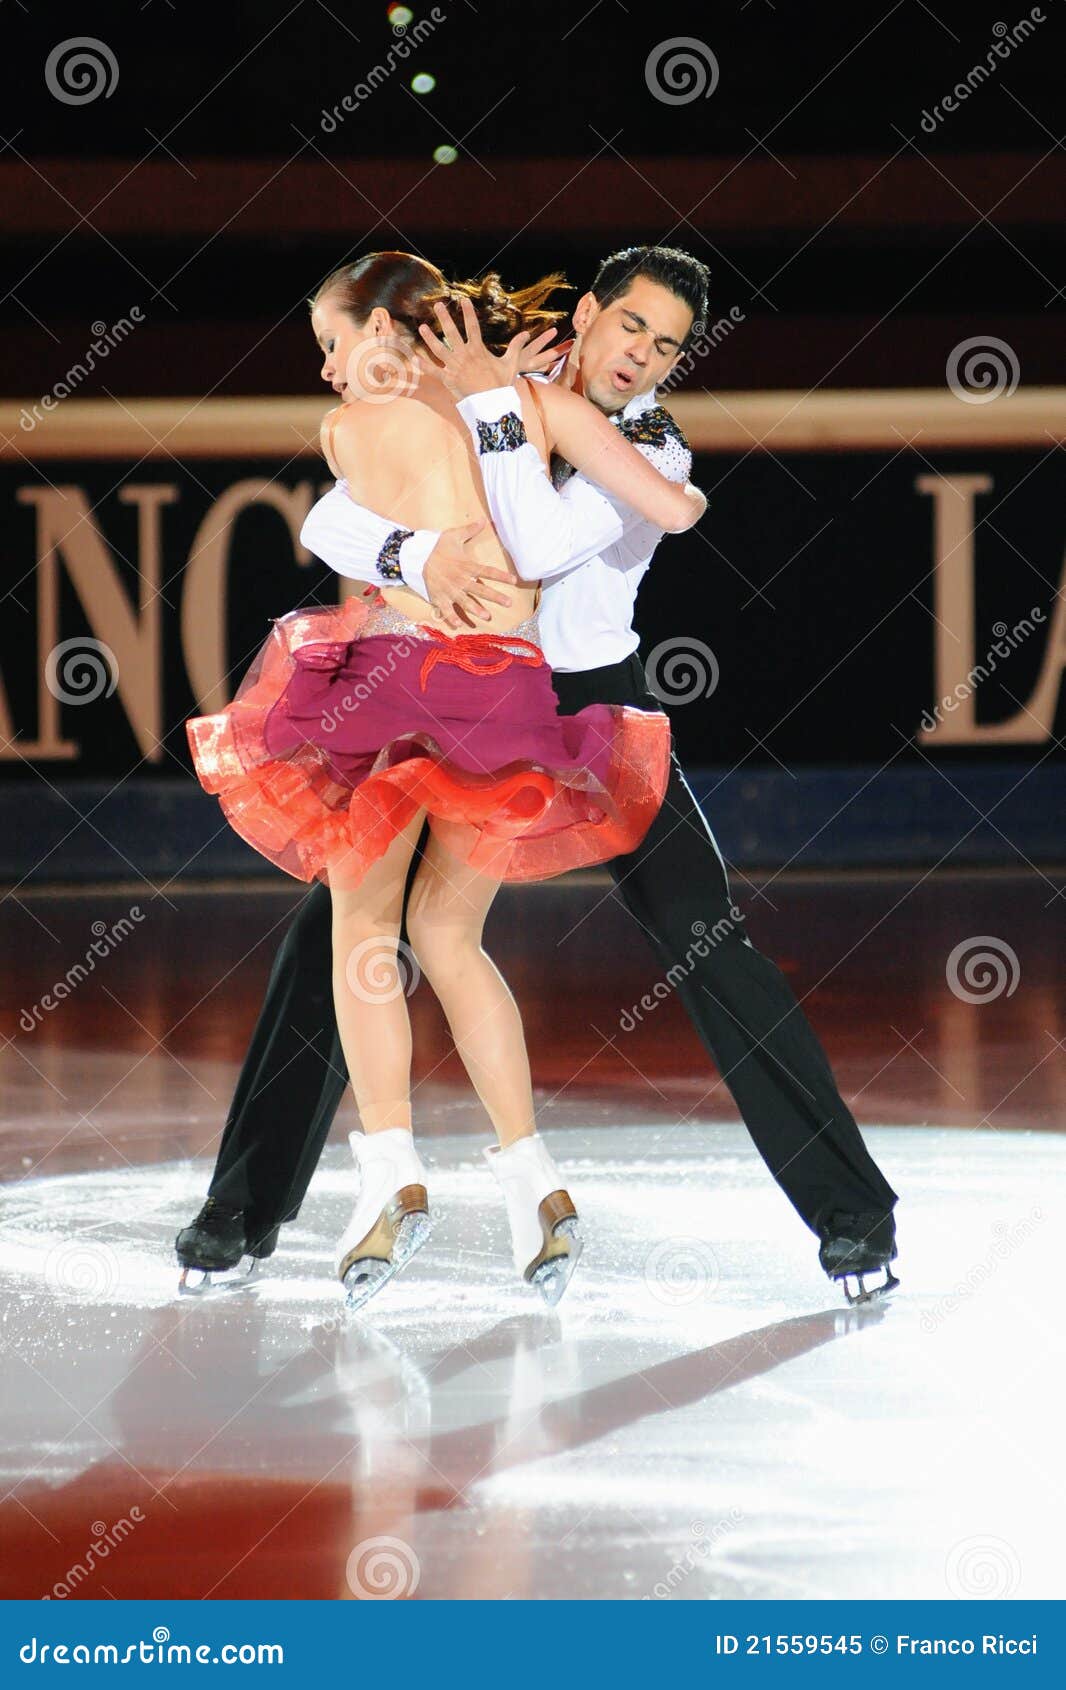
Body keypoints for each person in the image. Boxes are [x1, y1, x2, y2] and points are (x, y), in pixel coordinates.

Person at [178, 243, 899, 1307]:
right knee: (336, 942)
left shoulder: (651, 445)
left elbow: (541, 538)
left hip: (586, 703)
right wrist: (416, 544)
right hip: (448, 689)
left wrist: (490, 407)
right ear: (593, 312)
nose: (642, 356)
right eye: (630, 327)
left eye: (667, 345)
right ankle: (239, 1214)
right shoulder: (505, 378)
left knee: (705, 939)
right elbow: (333, 508)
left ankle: (853, 1216)